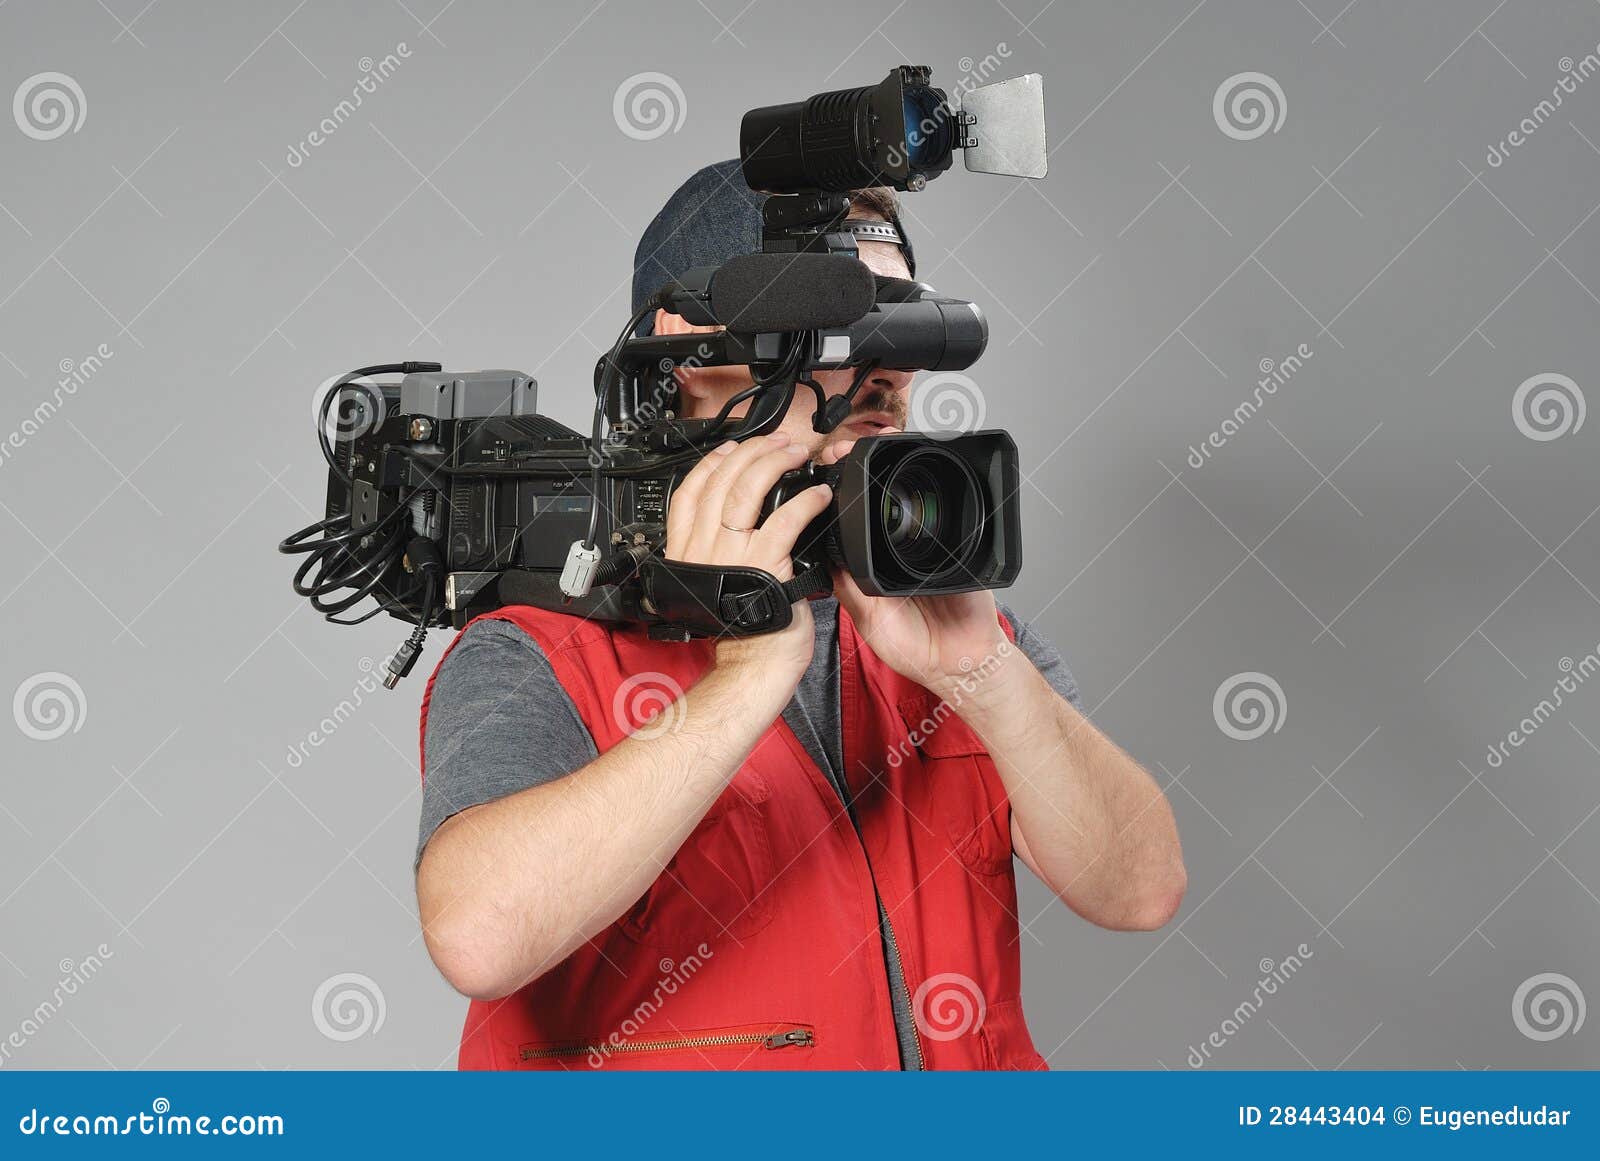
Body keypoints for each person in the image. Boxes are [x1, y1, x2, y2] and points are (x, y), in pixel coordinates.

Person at [413, 160, 1185, 1070]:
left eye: (904, 322)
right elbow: (479, 937)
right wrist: (746, 680)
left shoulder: (943, 627)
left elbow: (1141, 890)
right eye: (841, 323)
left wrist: (986, 675)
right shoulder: (546, 648)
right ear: (691, 350)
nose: (889, 369)